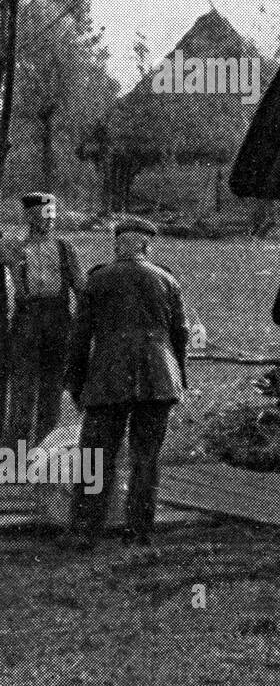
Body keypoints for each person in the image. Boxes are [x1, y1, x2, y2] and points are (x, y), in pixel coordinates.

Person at [63, 219, 187, 550]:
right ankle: (139, 532)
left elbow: (79, 339)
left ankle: (84, 532)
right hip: (159, 379)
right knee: (146, 457)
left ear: (118, 246)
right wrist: (180, 379)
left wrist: (75, 385)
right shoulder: (167, 280)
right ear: (147, 248)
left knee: (95, 456)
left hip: (108, 378)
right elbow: (180, 336)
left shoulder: (98, 280)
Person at [0, 192, 84, 449]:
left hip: (58, 323)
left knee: (52, 394)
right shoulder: (12, 248)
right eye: (40, 216)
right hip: (26, 324)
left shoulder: (64, 248)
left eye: (51, 216)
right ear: (28, 217)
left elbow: (81, 289)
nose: (47, 221)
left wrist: (83, 327)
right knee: (22, 396)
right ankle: (13, 461)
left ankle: (42, 460)